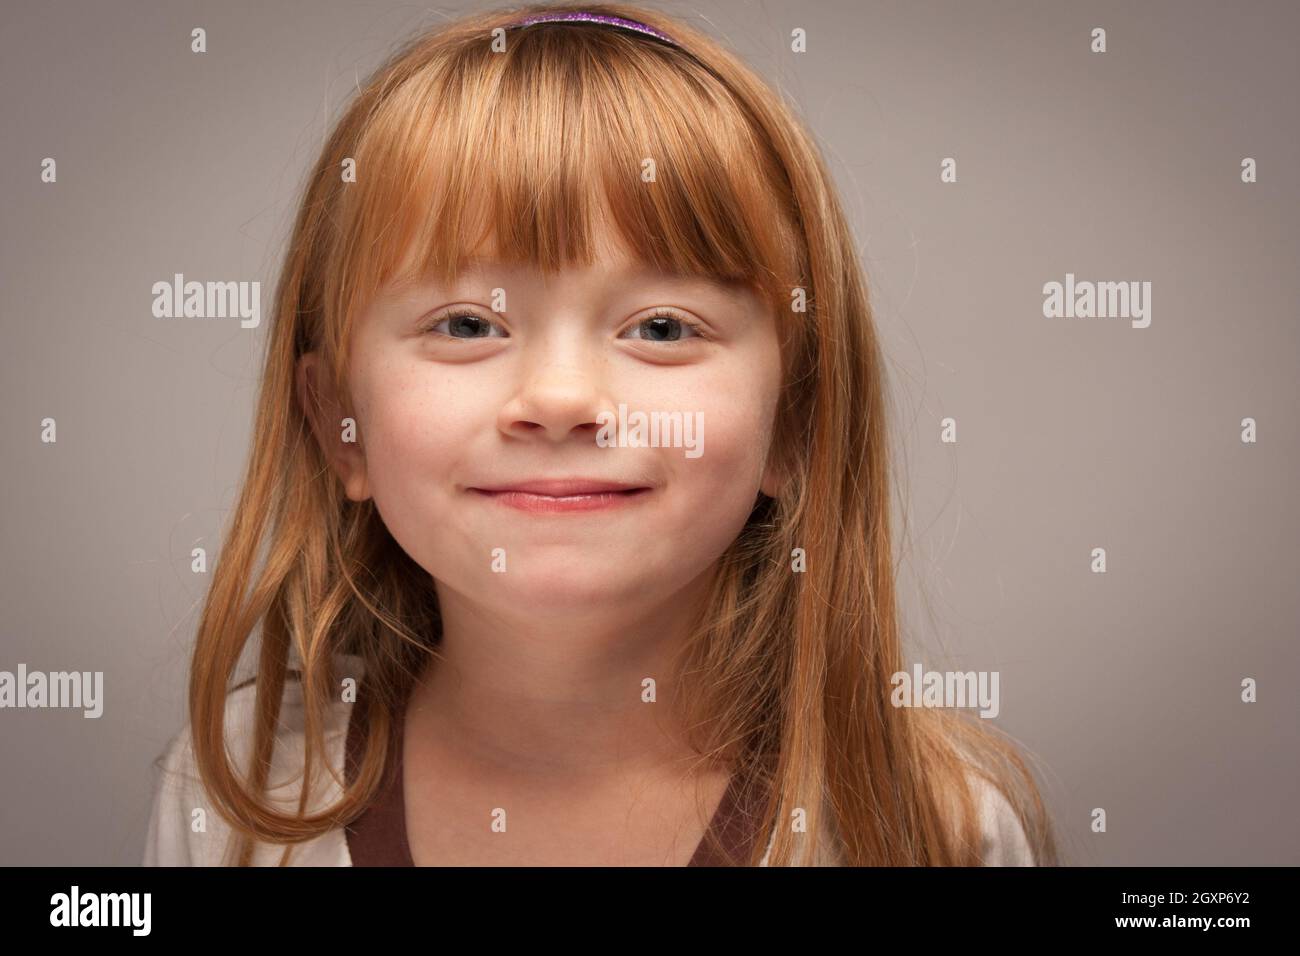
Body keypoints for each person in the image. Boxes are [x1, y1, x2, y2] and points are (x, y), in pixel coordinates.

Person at [143, 2, 1058, 867]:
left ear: (796, 425)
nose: (560, 398)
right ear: (339, 427)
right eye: (467, 325)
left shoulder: (926, 826)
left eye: (661, 328)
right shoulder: (241, 785)